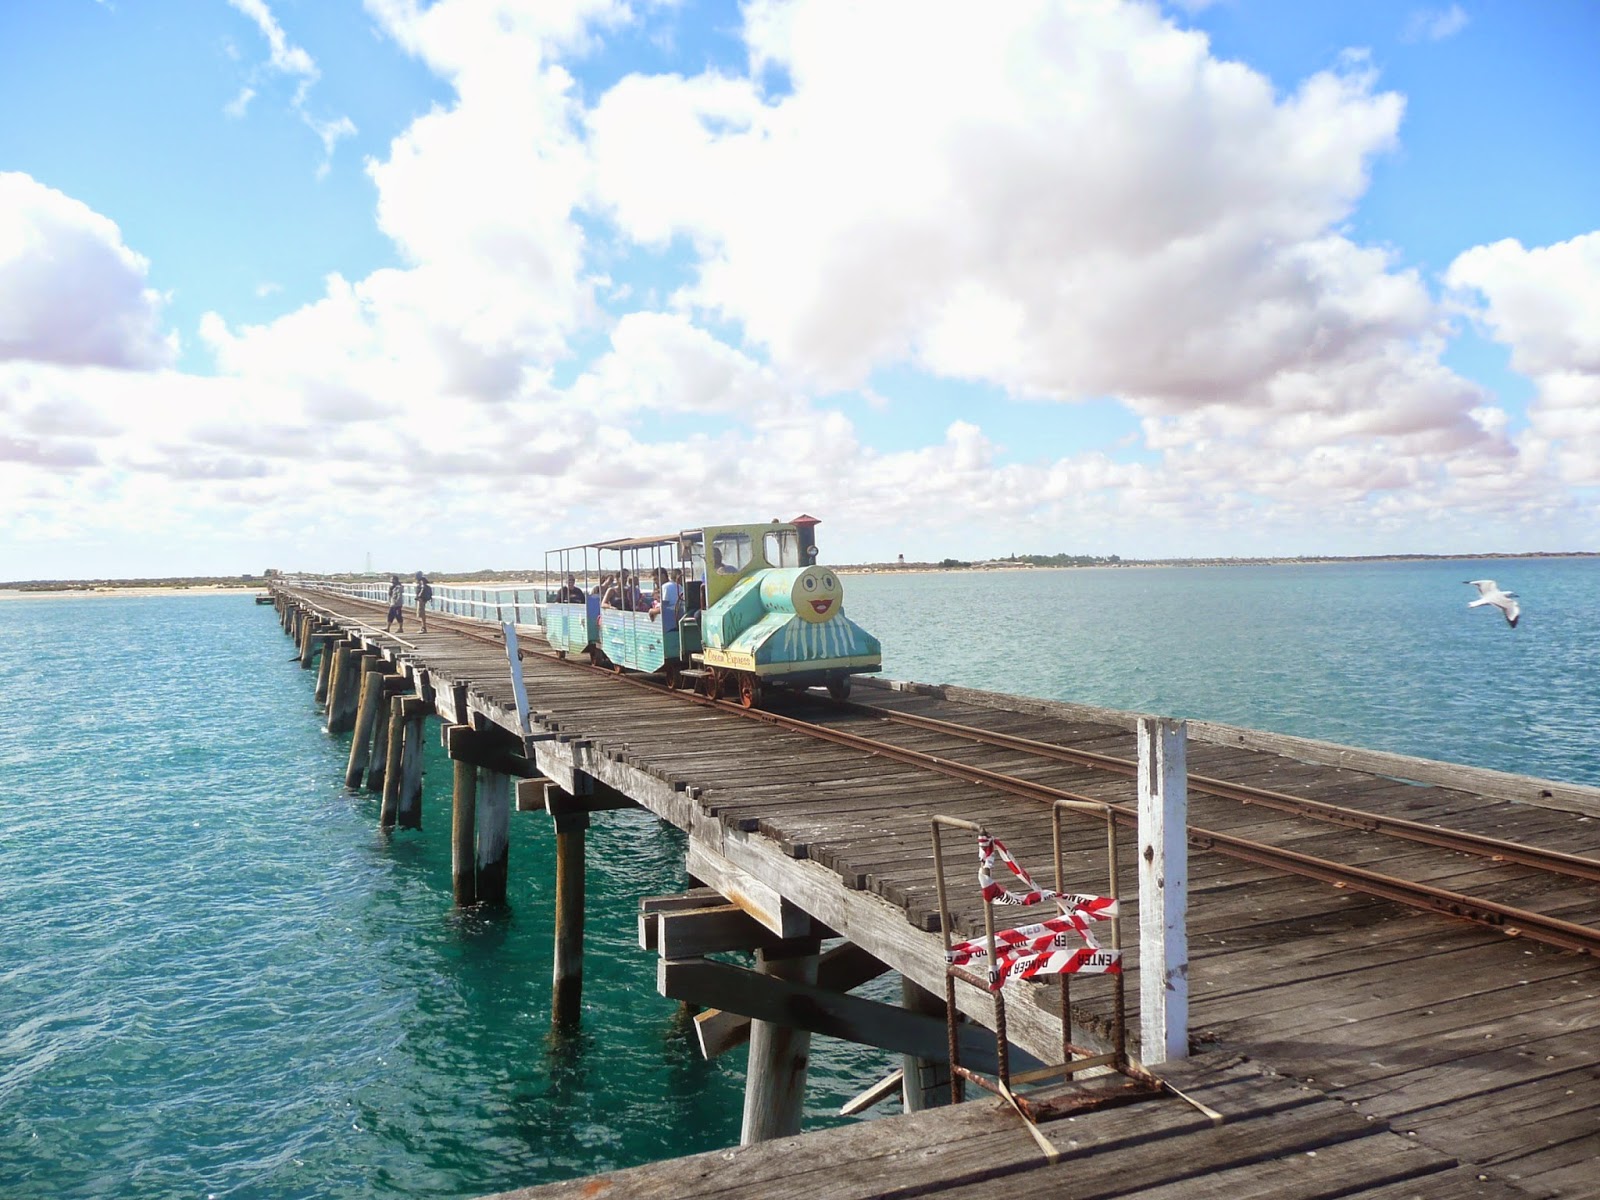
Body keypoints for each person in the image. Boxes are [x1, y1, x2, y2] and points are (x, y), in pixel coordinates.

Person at [649, 567, 682, 633]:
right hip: (679, 620)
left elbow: (664, 608)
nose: (655, 582)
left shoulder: (666, 587)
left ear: (663, 576)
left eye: (656, 579)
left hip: (670, 624)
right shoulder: (679, 586)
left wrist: (652, 611)